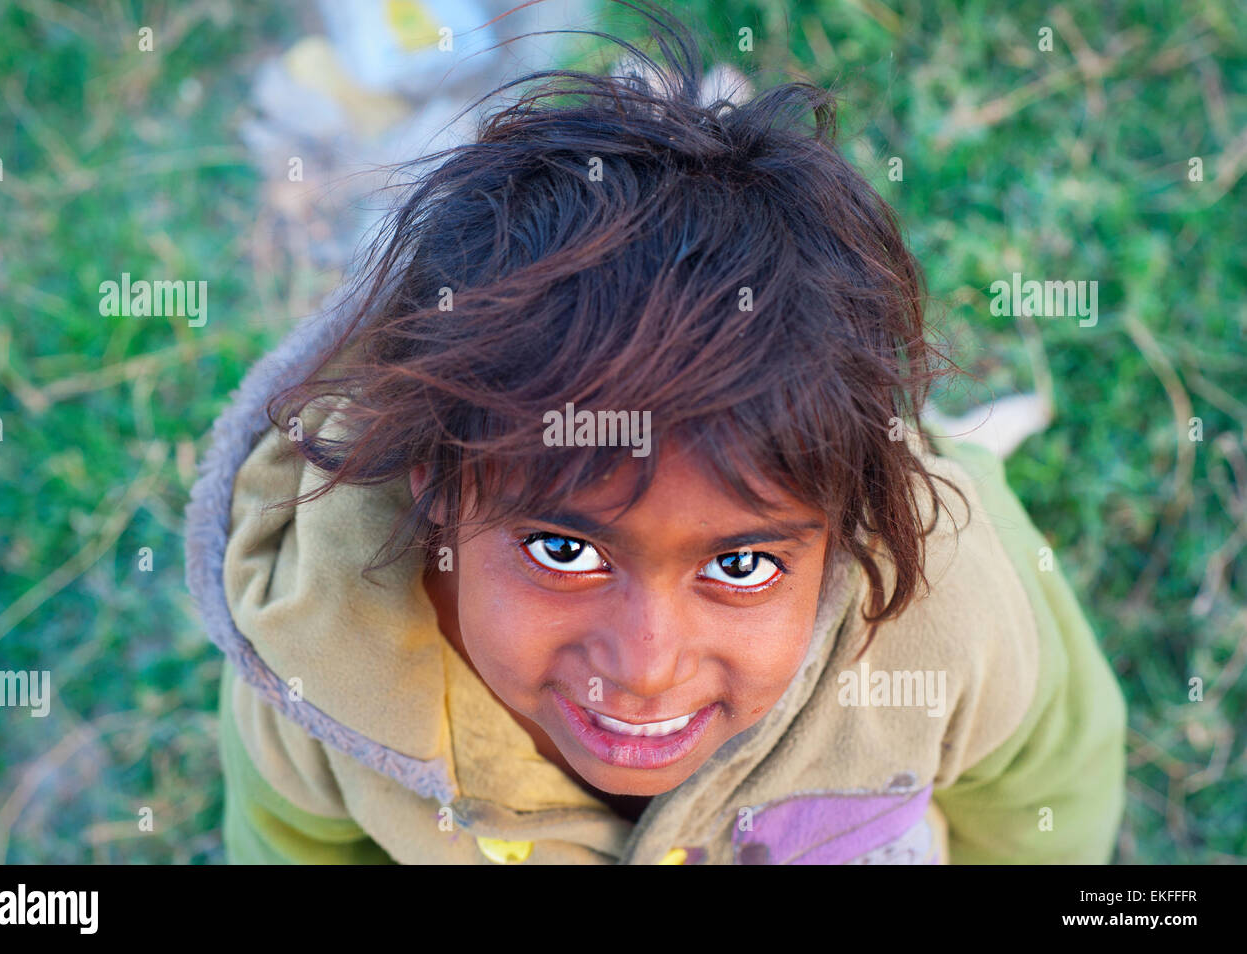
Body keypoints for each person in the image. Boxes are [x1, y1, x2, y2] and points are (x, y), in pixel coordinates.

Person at [185, 2, 1125, 864]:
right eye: (562, 549)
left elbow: (1050, 797)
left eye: (743, 566)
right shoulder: (317, 646)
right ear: (433, 485)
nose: (645, 669)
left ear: (847, 525)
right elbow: (293, 845)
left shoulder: (955, 606)